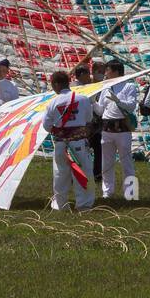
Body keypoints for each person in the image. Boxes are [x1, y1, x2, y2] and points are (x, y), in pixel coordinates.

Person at [44, 70, 97, 211]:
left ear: (56, 84)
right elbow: (88, 120)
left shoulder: (52, 103)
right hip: (79, 142)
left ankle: (61, 205)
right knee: (84, 172)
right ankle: (84, 204)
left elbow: (46, 126)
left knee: (60, 174)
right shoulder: (83, 99)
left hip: (62, 144)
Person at [97, 59, 139, 199]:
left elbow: (132, 106)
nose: (106, 73)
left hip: (122, 129)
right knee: (106, 162)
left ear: (116, 72)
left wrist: (119, 101)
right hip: (107, 128)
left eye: (108, 70)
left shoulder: (129, 86)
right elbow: (100, 110)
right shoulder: (105, 88)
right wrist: (92, 102)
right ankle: (107, 192)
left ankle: (131, 194)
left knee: (126, 161)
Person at [73, 64, 103, 182]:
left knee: (97, 148)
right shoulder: (74, 88)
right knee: (79, 151)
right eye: (87, 74)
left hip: (92, 123)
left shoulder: (90, 86)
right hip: (80, 123)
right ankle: (79, 174)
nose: (89, 76)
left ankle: (96, 174)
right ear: (81, 75)